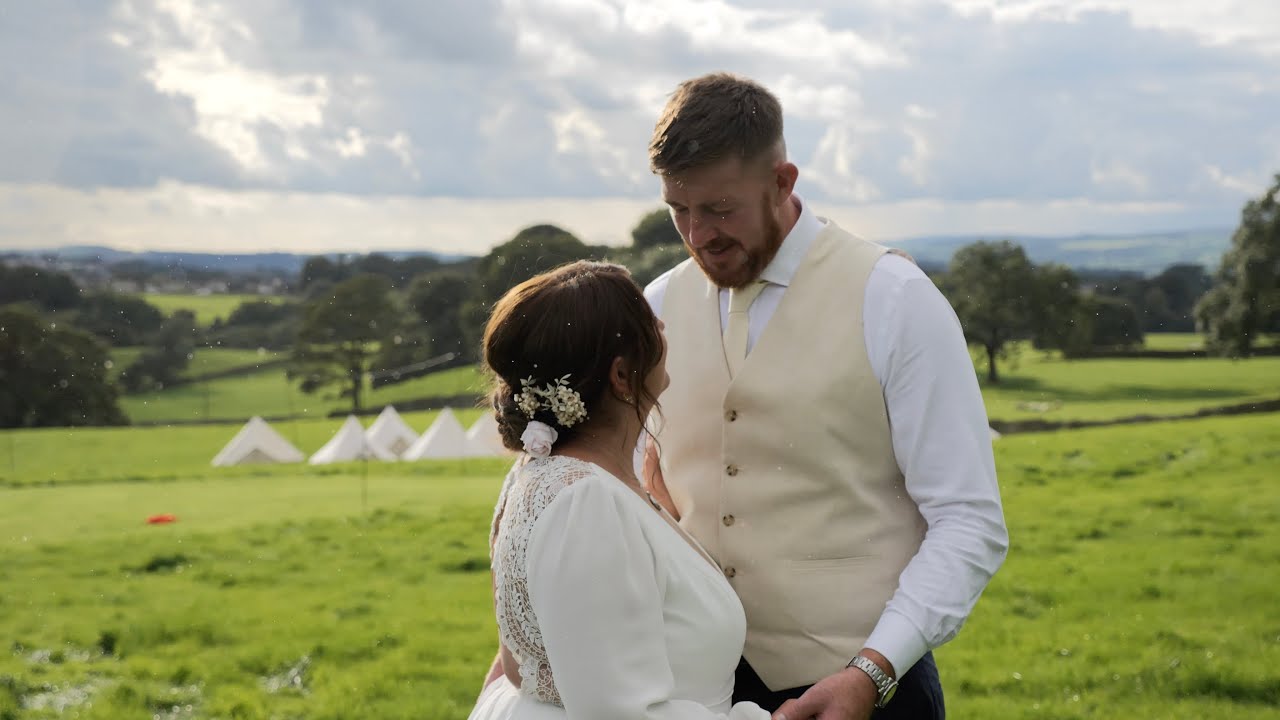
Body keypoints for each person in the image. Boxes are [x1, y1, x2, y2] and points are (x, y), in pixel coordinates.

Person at [640, 72, 1010, 720]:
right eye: (679, 210)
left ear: (784, 183)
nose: (697, 235)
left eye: (720, 210)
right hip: (695, 693)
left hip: (869, 692)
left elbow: (969, 520)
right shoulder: (658, 304)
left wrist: (872, 672)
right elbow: (636, 490)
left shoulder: (894, 299)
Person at [468, 260, 774, 720]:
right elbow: (619, 712)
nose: (664, 324)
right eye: (649, 323)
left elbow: (520, 663)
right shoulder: (585, 505)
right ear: (622, 376)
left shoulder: (536, 474)